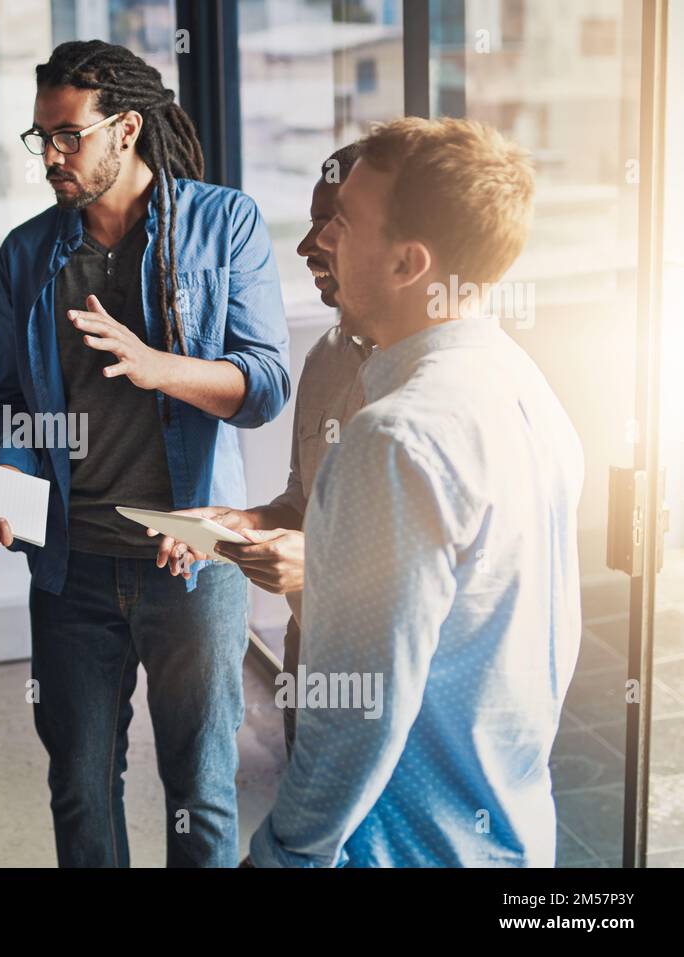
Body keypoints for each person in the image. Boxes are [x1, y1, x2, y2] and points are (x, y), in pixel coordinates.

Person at [0, 40, 290, 867]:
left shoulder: (226, 223)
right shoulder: (28, 252)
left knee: (201, 786)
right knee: (78, 781)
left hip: (192, 560)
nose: (52, 158)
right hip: (71, 570)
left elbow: (267, 383)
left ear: (127, 128)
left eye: (69, 135)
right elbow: (12, 405)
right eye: (42, 138)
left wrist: (156, 366)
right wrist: (5, 475)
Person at [240, 118, 583, 866]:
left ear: (407, 262)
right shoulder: (529, 391)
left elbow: (357, 707)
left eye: (344, 222)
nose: (322, 241)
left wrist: (281, 853)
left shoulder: (395, 438)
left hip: (404, 848)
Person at [154, 143, 371, 754]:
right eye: (309, 222)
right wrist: (238, 523)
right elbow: (306, 503)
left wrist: (320, 564)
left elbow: (452, 575)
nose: (305, 247)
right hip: (310, 645)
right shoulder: (328, 357)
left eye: (331, 224)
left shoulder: (447, 394)